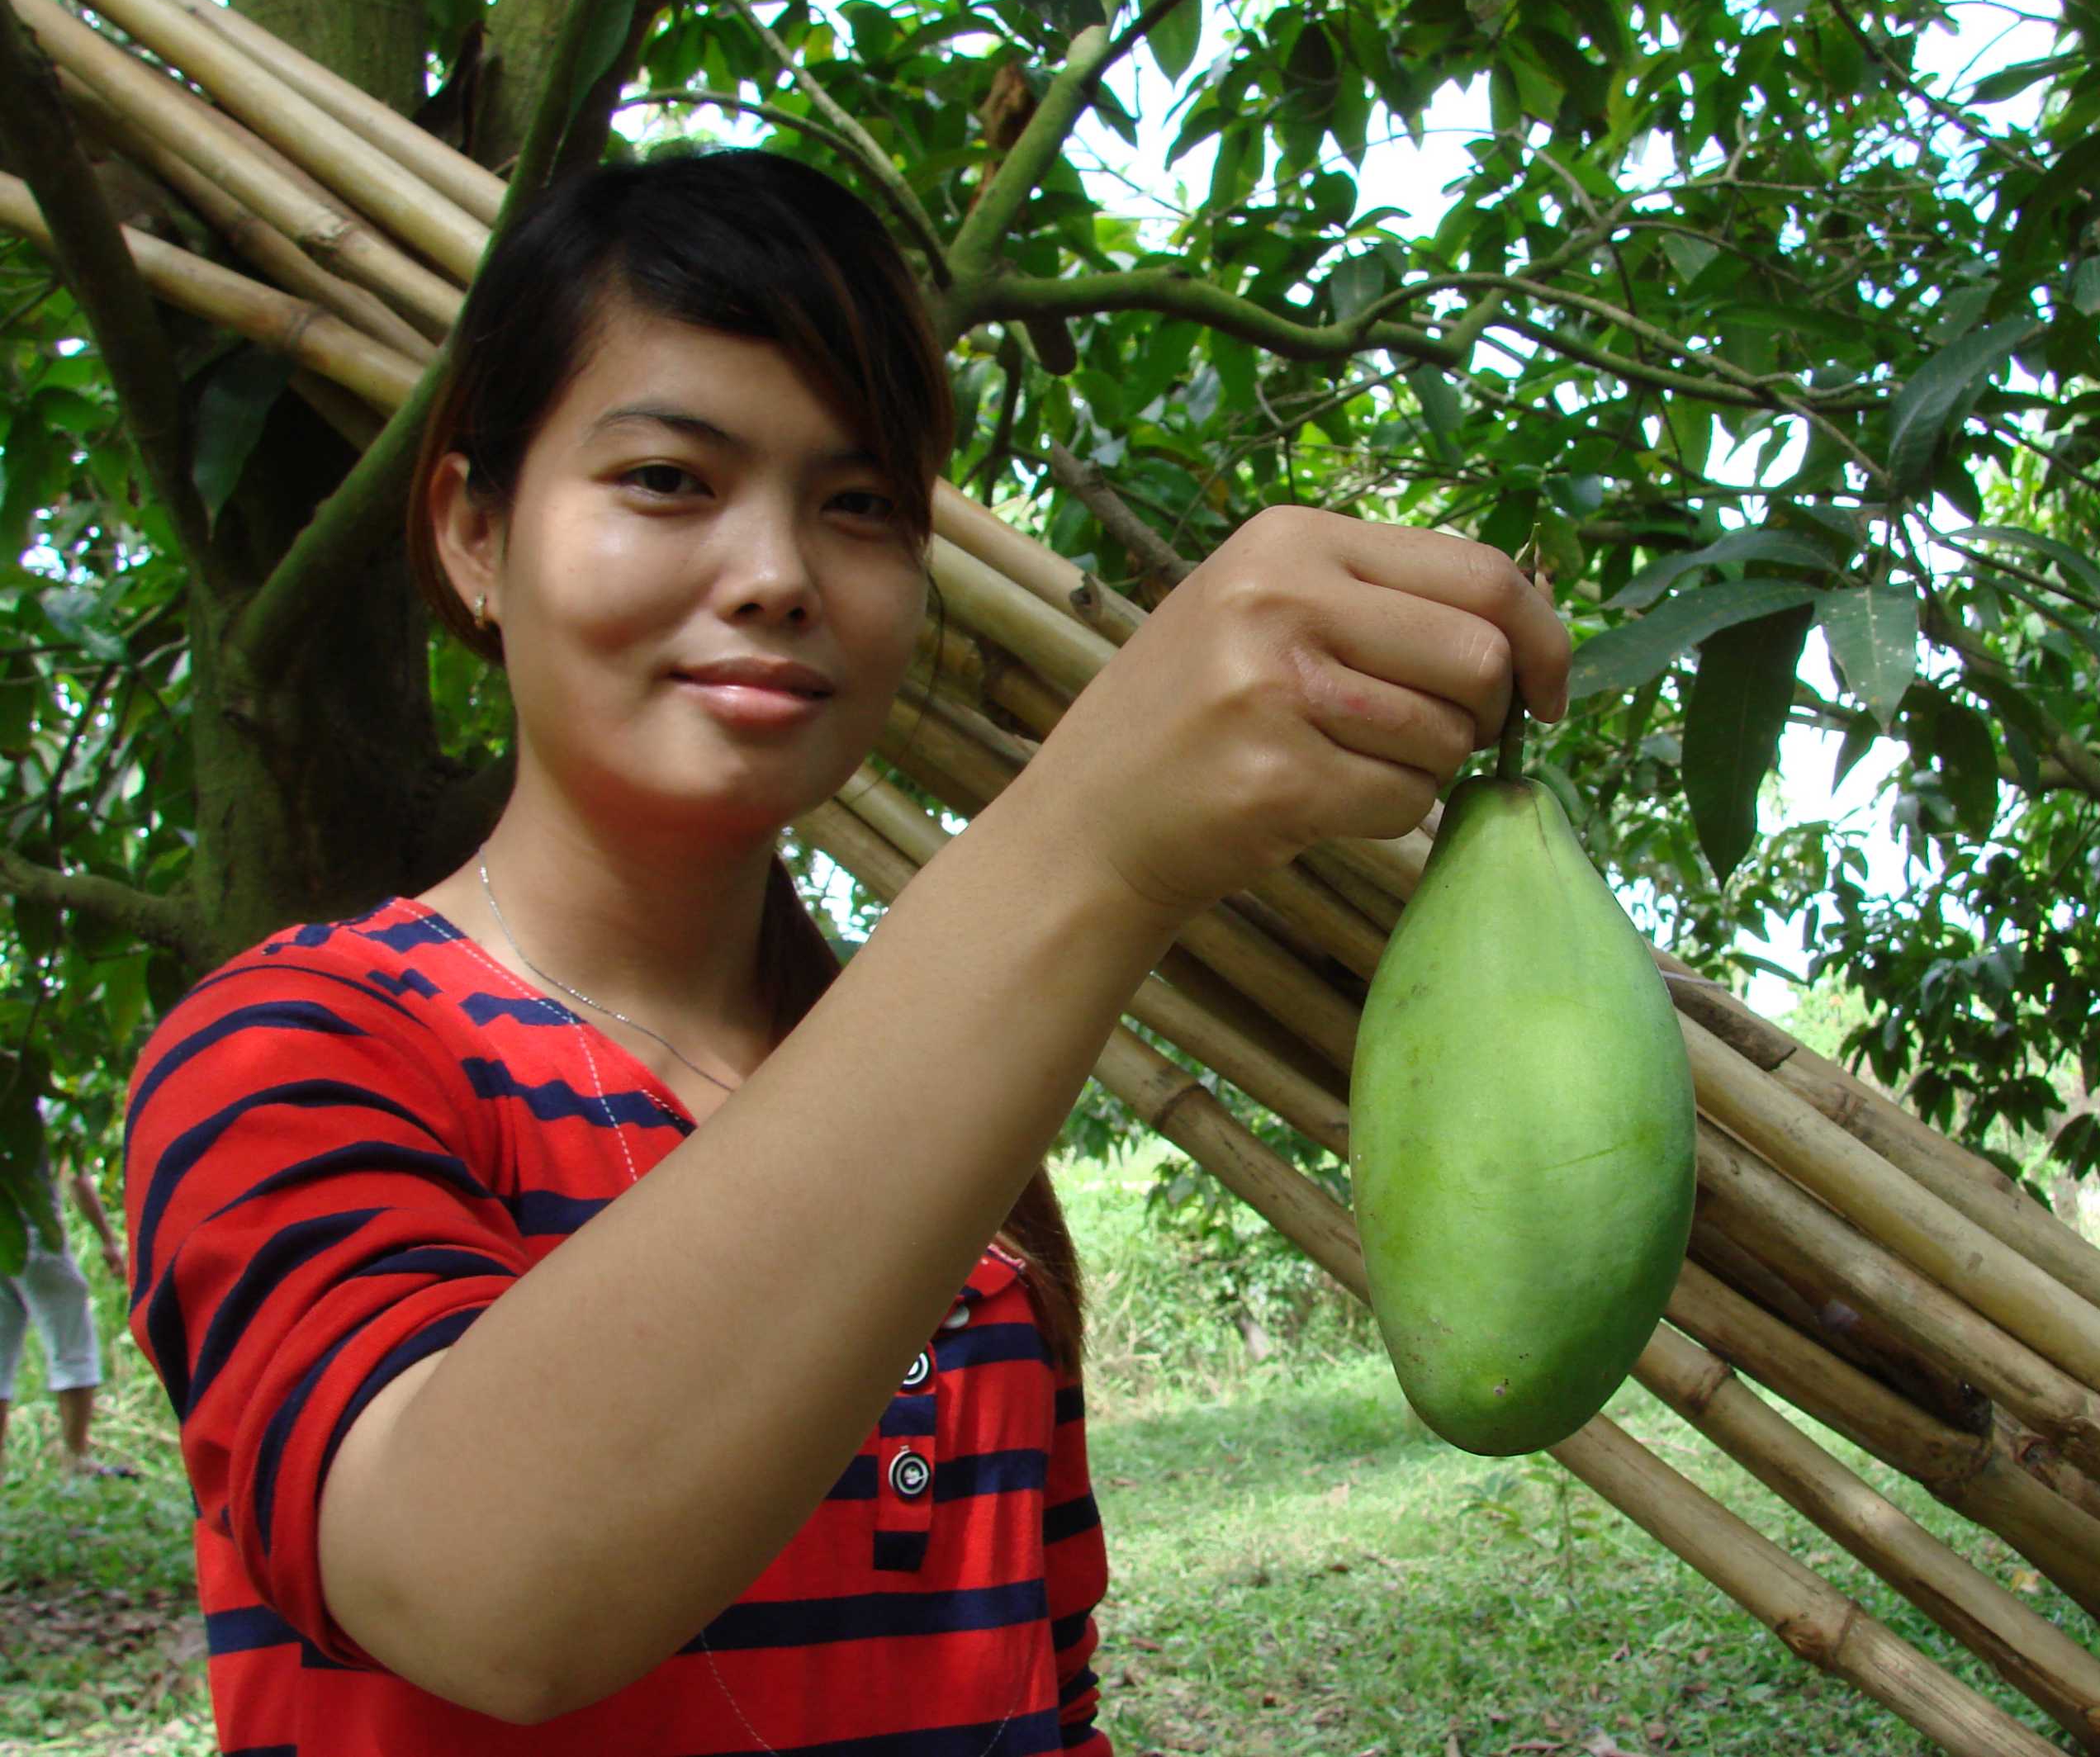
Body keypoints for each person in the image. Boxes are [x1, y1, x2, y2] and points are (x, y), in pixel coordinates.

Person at [119, 149, 1568, 1755]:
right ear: (473, 531)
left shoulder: (960, 1154)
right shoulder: (288, 1052)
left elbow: (1039, 1698)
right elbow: (478, 1593)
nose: (778, 577)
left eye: (861, 505)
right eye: (669, 478)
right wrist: (1086, 836)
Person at [0, 1139, 135, 1484]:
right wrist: (107, 1238)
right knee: (72, 1344)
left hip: (7, 1239)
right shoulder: (47, 1109)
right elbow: (77, 1179)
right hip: (37, 1241)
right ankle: (76, 1457)